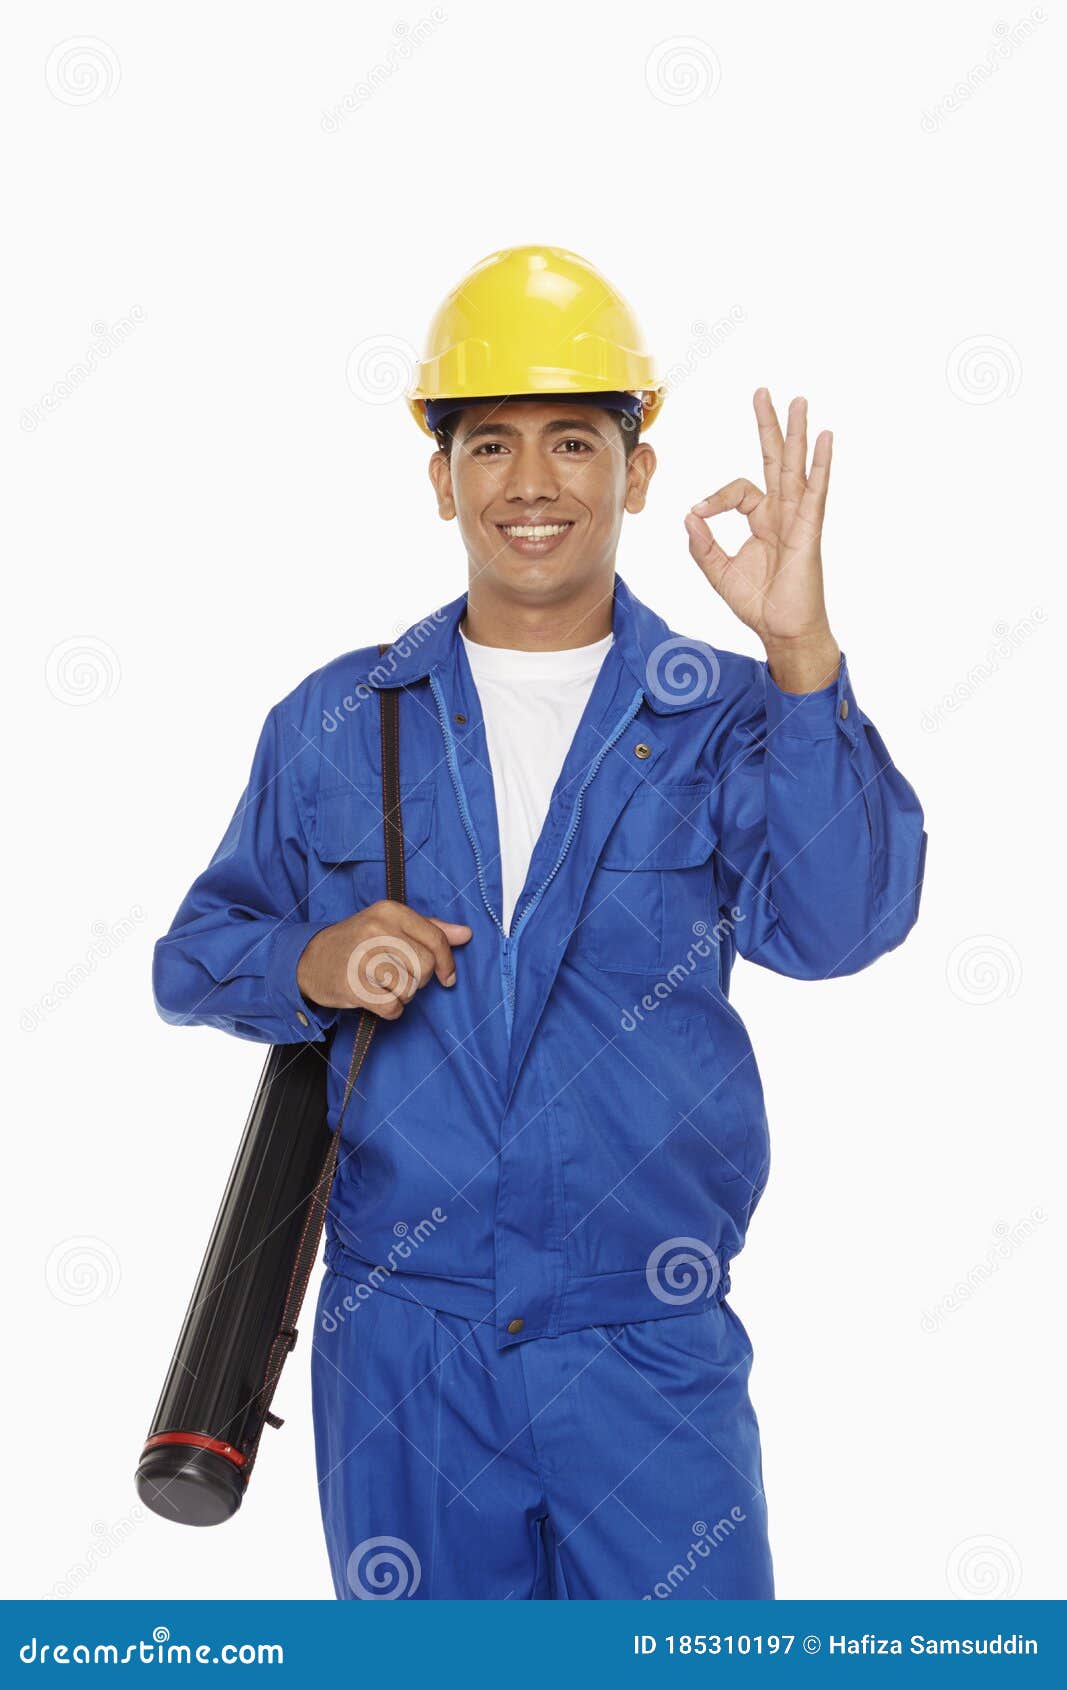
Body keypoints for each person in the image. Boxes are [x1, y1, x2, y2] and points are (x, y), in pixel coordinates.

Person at [153, 245, 926, 1600]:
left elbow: (844, 920)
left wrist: (803, 654)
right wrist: (312, 959)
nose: (530, 483)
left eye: (574, 441)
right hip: (407, 1347)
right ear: (440, 476)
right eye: (490, 442)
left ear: (635, 473)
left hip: (645, 1344)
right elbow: (195, 954)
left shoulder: (723, 710)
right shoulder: (339, 719)